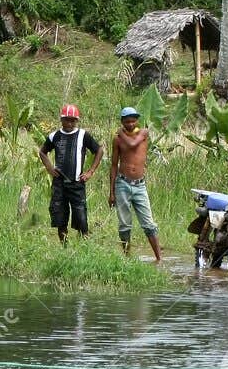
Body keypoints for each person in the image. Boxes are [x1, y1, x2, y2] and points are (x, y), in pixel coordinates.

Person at [39, 105, 102, 243]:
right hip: (59, 184)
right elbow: (42, 152)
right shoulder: (54, 136)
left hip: (77, 183)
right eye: (67, 120)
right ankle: (64, 245)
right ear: (61, 120)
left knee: (80, 215)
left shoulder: (83, 135)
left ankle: (85, 245)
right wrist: (50, 168)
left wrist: (90, 172)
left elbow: (98, 150)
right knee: (59, 215)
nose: (70, 123)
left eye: (73, 120)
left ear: (77, 121)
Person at [108, 105, 162, 262]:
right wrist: (111, 192)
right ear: (122, 121)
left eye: (133, 121)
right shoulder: (117, 140)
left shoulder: (144, 133)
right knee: (125, 224)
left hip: (139, 185)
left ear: (137, 121)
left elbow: (133, 144)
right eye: (126, 122)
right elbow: (113, 165)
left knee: (149, 224)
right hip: (122, 184)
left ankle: (159, 258)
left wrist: (120, 132)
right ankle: (127, 256)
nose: (130, 124)